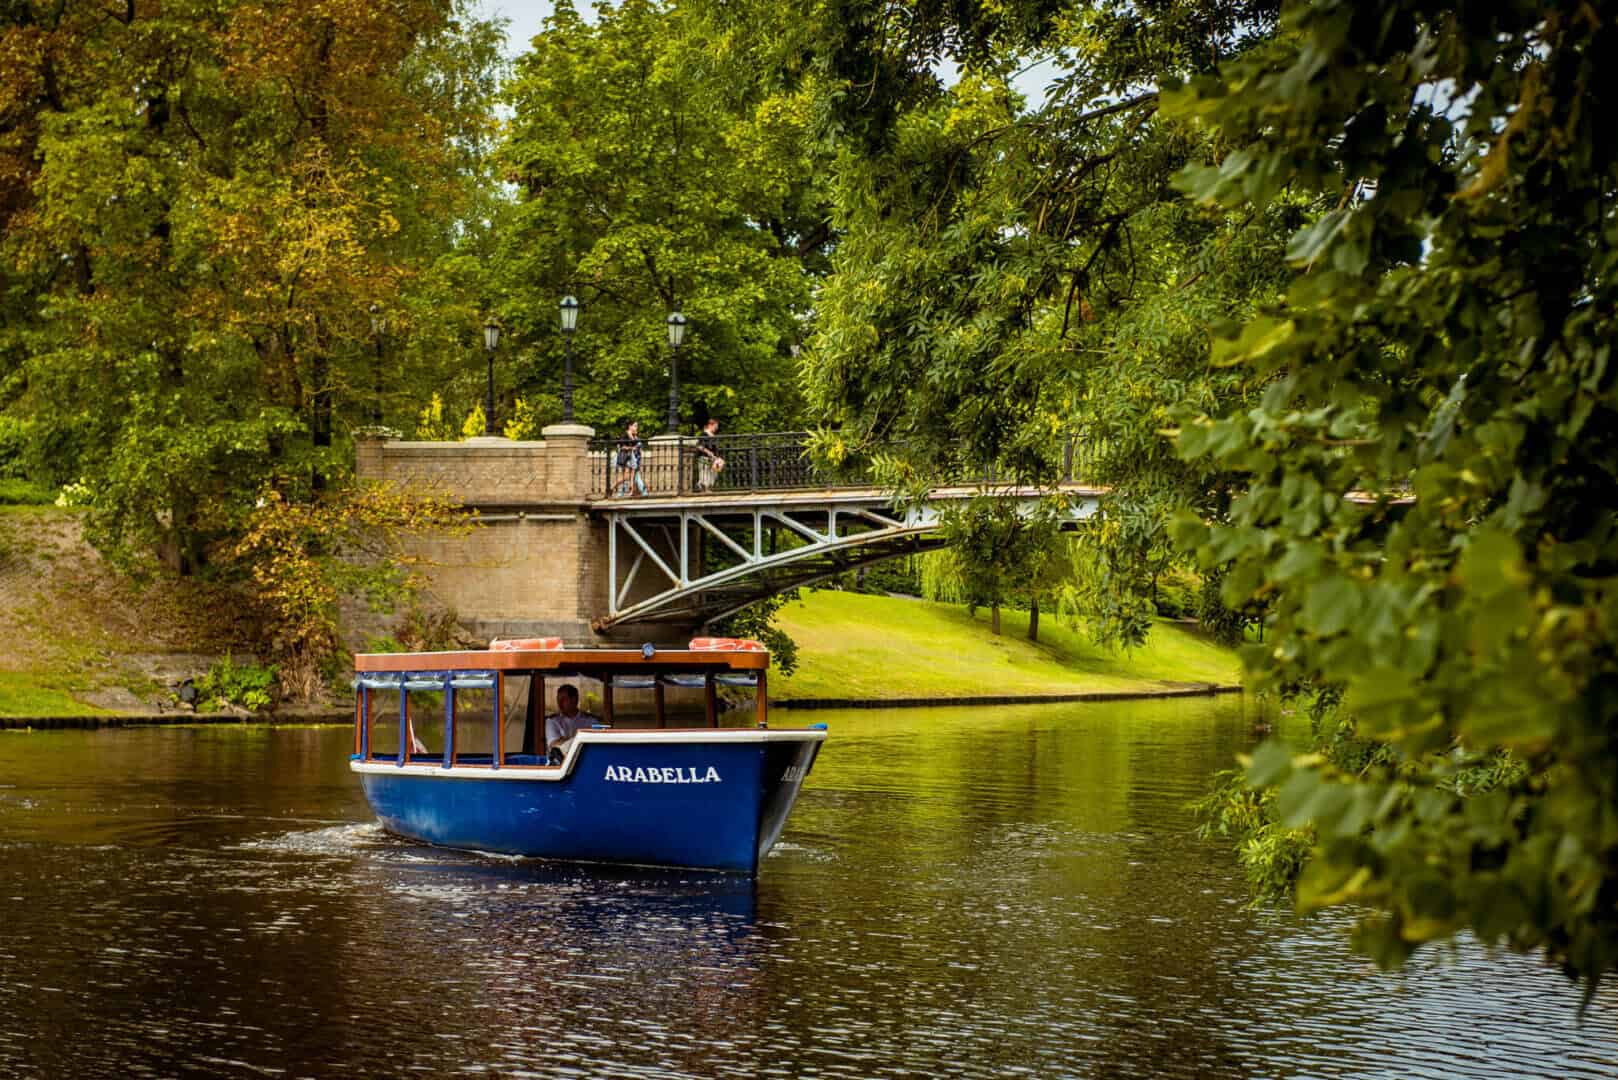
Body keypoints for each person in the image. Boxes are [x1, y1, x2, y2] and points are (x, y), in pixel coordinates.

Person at [543, 684, 602, 763]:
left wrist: (564, 740)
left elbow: (598, 743)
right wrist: (582, 740)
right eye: (558, 700)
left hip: (587, 761)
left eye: (563, 700)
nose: (559, 704)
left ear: (574, 700)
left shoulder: (591, 721)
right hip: (560, 764)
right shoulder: (552, 721)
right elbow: (554, 745)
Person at [614, 420, 645, 497]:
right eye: (635, 426)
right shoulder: (625, 435)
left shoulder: (633, 435)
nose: (636, 427)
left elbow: (638, 445)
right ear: (630, 426)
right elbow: (622, 446)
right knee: (626, 477)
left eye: (636, 426)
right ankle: (613, 487)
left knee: (632, 476)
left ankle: (630, 492)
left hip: (632, 458)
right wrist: (631, 448)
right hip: (626, 457)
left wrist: (635, 437)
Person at [695, 417, 725, 491]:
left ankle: (706, 487)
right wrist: (708, 452)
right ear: (710, 425)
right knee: (705, 473)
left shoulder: (713, 435)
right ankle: (704, 488)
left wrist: (716, 456)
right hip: (704, 457)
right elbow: (699, 446)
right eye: (716, 426)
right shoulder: (704, 434)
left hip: (713, 459)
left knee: (714, 473)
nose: (716, 428)